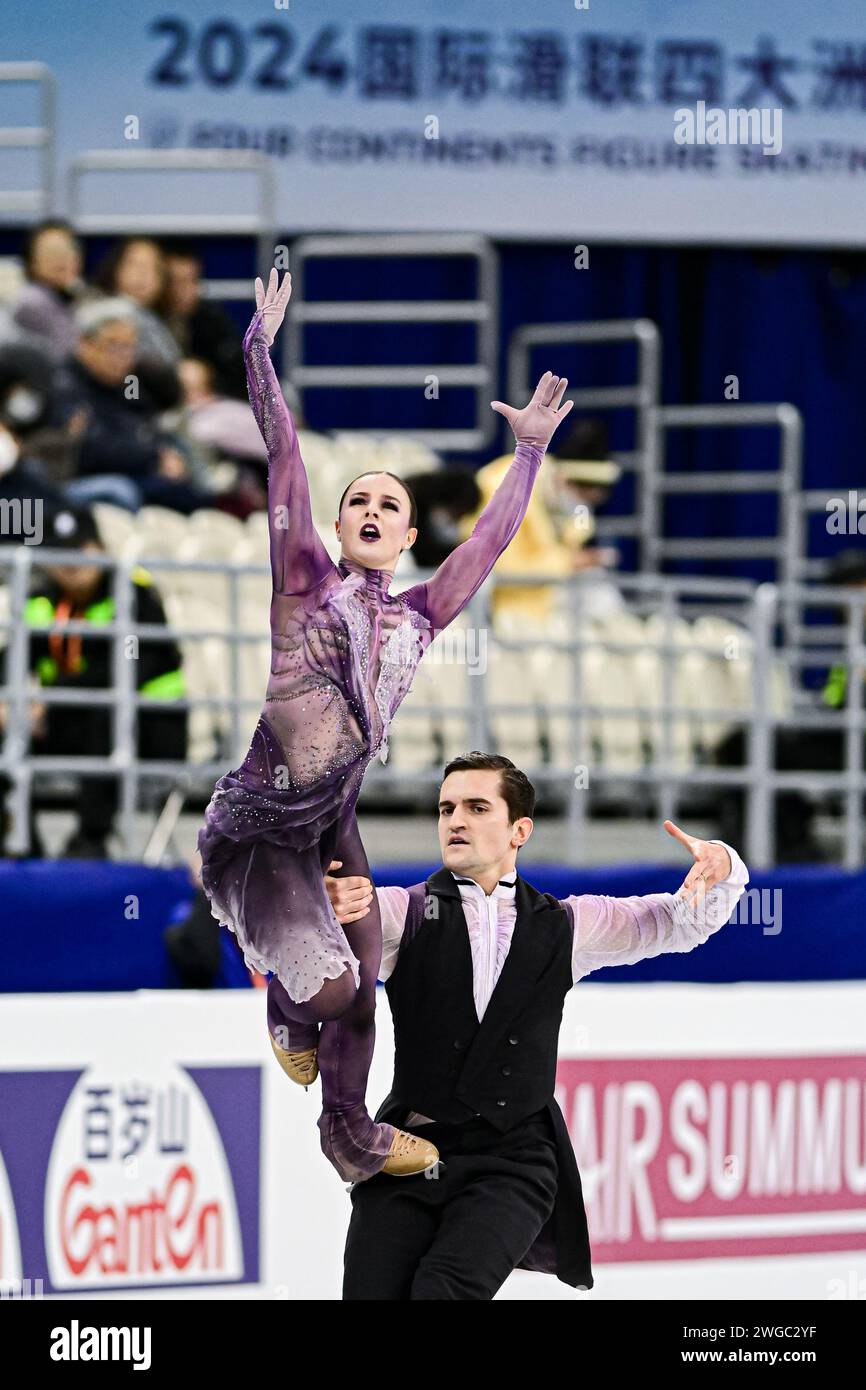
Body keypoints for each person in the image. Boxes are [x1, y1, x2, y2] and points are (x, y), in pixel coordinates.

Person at [198, 268, 575, 1185]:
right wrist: (258, 352)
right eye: (358, 502)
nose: (372, 511)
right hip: (257, 828)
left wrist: (525, 454)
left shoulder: (416, 616)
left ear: (408, 536)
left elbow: (484, 550)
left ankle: (347, 1131)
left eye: (390, 505)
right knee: (328, 991)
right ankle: (287, 1013)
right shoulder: (304, 582)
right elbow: (283, 457)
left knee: (368, 985)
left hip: (331, 824)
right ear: (334, 527)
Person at [322, 751, 748, 1299]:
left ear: (519, 829)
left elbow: (675, 923)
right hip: (409, 1148)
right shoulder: (397, 913)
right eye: (446, 807)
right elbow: (278, 942)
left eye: (477, 807)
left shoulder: (569, 924)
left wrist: (725, 867)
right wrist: (320, 907)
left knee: (442, 1290)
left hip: (511, 1162)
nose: (456, 820)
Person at [0, 506, 188, 857]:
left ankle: (91, 839)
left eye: (80, 548)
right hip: (72, 721)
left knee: (105, 710)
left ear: (100, 547)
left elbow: (126, 669)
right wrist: (8, 700)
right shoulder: (43, 601)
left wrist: (49, 699)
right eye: (61, 550)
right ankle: (18, 842)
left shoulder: (134, 593)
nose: (72, 562)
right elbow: (13, 656)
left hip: (152, 729)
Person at [457, 416, 621, 630]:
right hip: (494, 600)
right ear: (564, 480)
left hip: (543, 599)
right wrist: (568, 563)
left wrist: (578, 561)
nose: (582, 506)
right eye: (582, 496)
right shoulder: (506, 488)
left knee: (599, 589)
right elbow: (499, 568)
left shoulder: (567, 504)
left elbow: (573, 537)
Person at [10, 219, 87, 362]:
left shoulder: (68, 298)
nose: (61, 258)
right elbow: (66, 357)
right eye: (51, 251)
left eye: (67, 249)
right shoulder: (33, 302)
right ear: (32, 261)